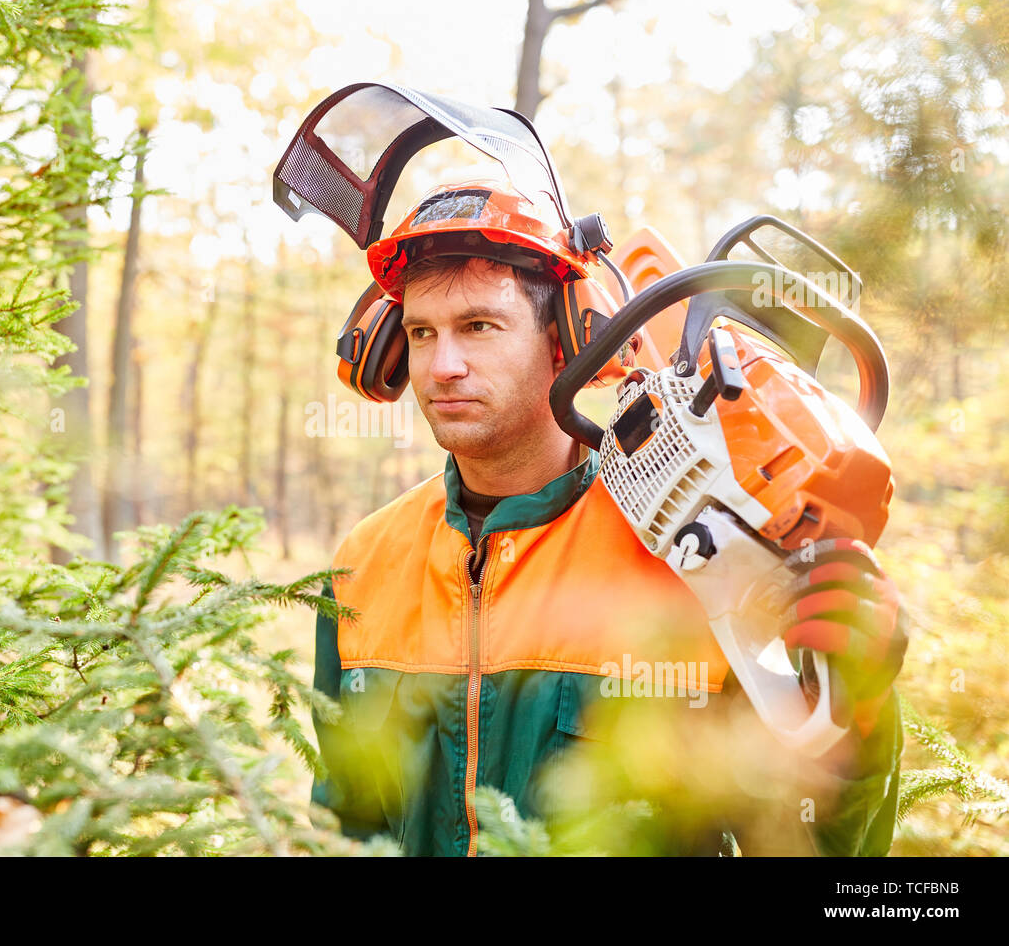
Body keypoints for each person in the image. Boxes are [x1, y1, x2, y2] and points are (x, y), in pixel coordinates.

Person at [309, 180, 907, 857]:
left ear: (566, 340)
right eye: (422, 333)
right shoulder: (364, 562)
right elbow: (343, 827)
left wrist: (858, 716)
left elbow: (806, 842)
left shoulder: (691, 552)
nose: (443, 366)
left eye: (479, 326)